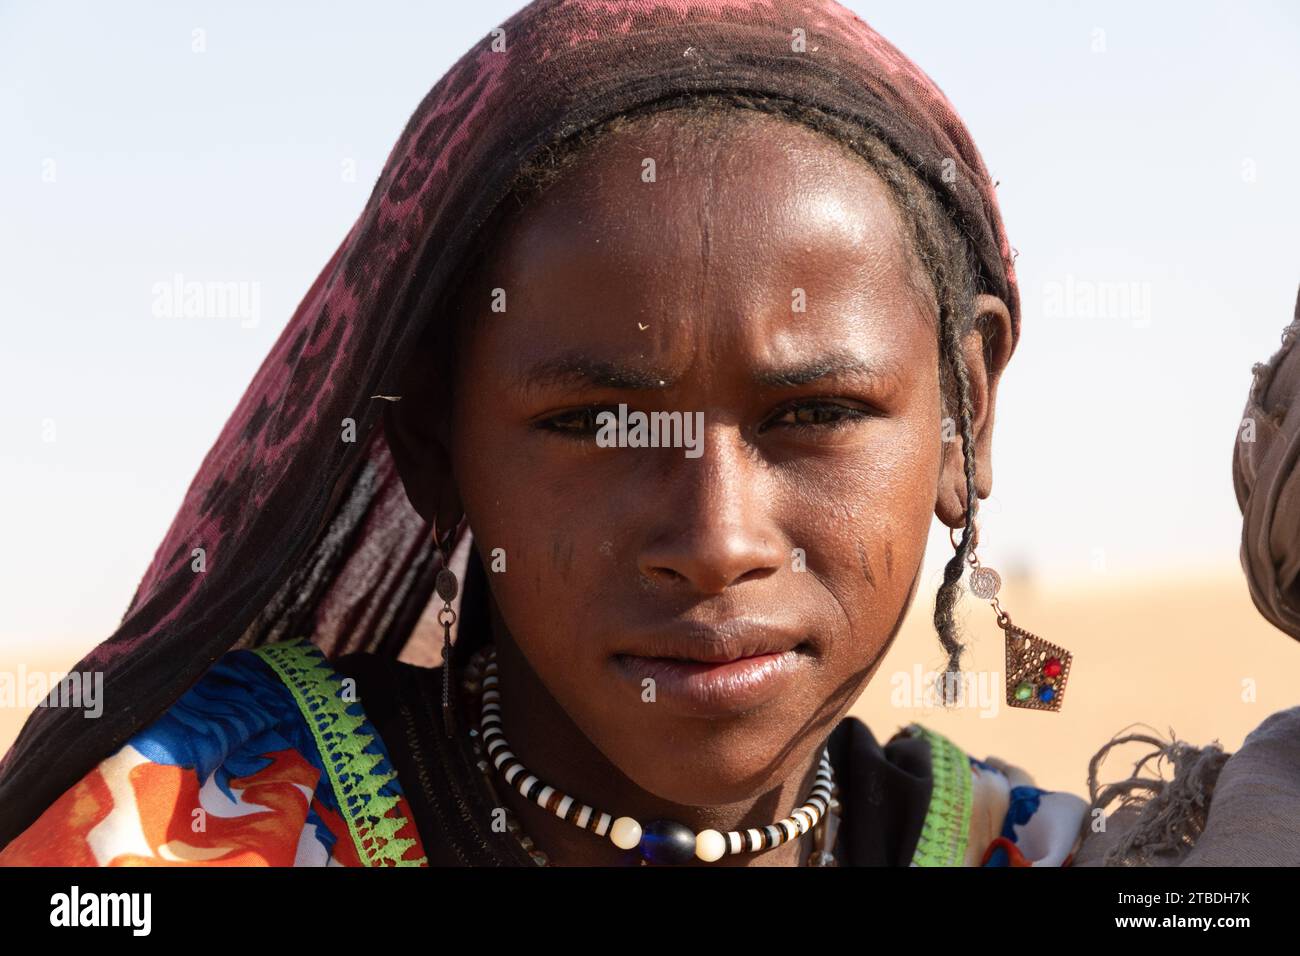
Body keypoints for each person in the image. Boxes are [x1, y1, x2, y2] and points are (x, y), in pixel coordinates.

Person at [0, 0, 1089, 867]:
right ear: (433, 440)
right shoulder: (171, 833)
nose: (716, 541)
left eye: (813, 414)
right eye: (597, 423)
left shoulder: (1059, 851)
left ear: (963, 410)